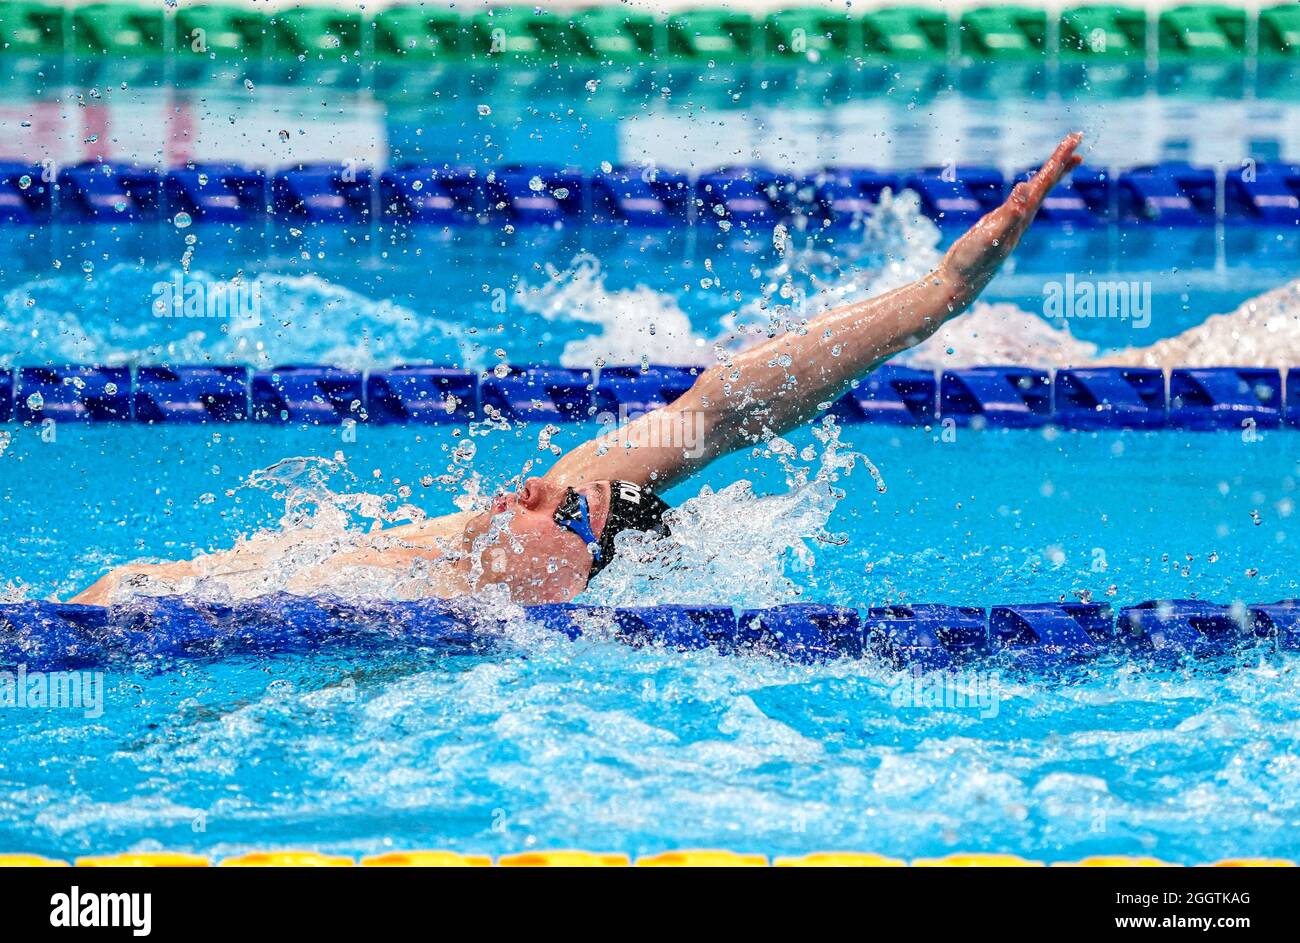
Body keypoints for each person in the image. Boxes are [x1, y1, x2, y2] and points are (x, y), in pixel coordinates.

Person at [70, 134, 1085, 607]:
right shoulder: (432, 557)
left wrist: (950, 297)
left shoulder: (443, 628)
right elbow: (725, 407)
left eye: (561, 514)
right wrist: (940, 291)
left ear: (569, 580)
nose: (536, 489)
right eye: (559, 490)